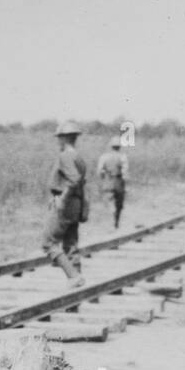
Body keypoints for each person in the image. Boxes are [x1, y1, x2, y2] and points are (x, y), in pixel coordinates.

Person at [43, 120, 88, 287]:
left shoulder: (65, 156)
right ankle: (78, 284)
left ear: (63, 138)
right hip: (76, 204)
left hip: (65, 204)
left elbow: (74, 179)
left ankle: (73, 276)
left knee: (48, 243)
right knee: (71, 245)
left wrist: (62, 198)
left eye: (59, 138)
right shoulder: (78, 157)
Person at [96, 135, 128, 229]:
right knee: (119, 204)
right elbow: (125, 172)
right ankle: (116, 222)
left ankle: (110, 221)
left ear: (111, 146)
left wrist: (103, 177)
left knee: (108, 201)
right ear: (119, 147)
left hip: (108, 180)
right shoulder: (123, 157)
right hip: (119, 181)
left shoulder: (104, 157)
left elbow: (100, 171)